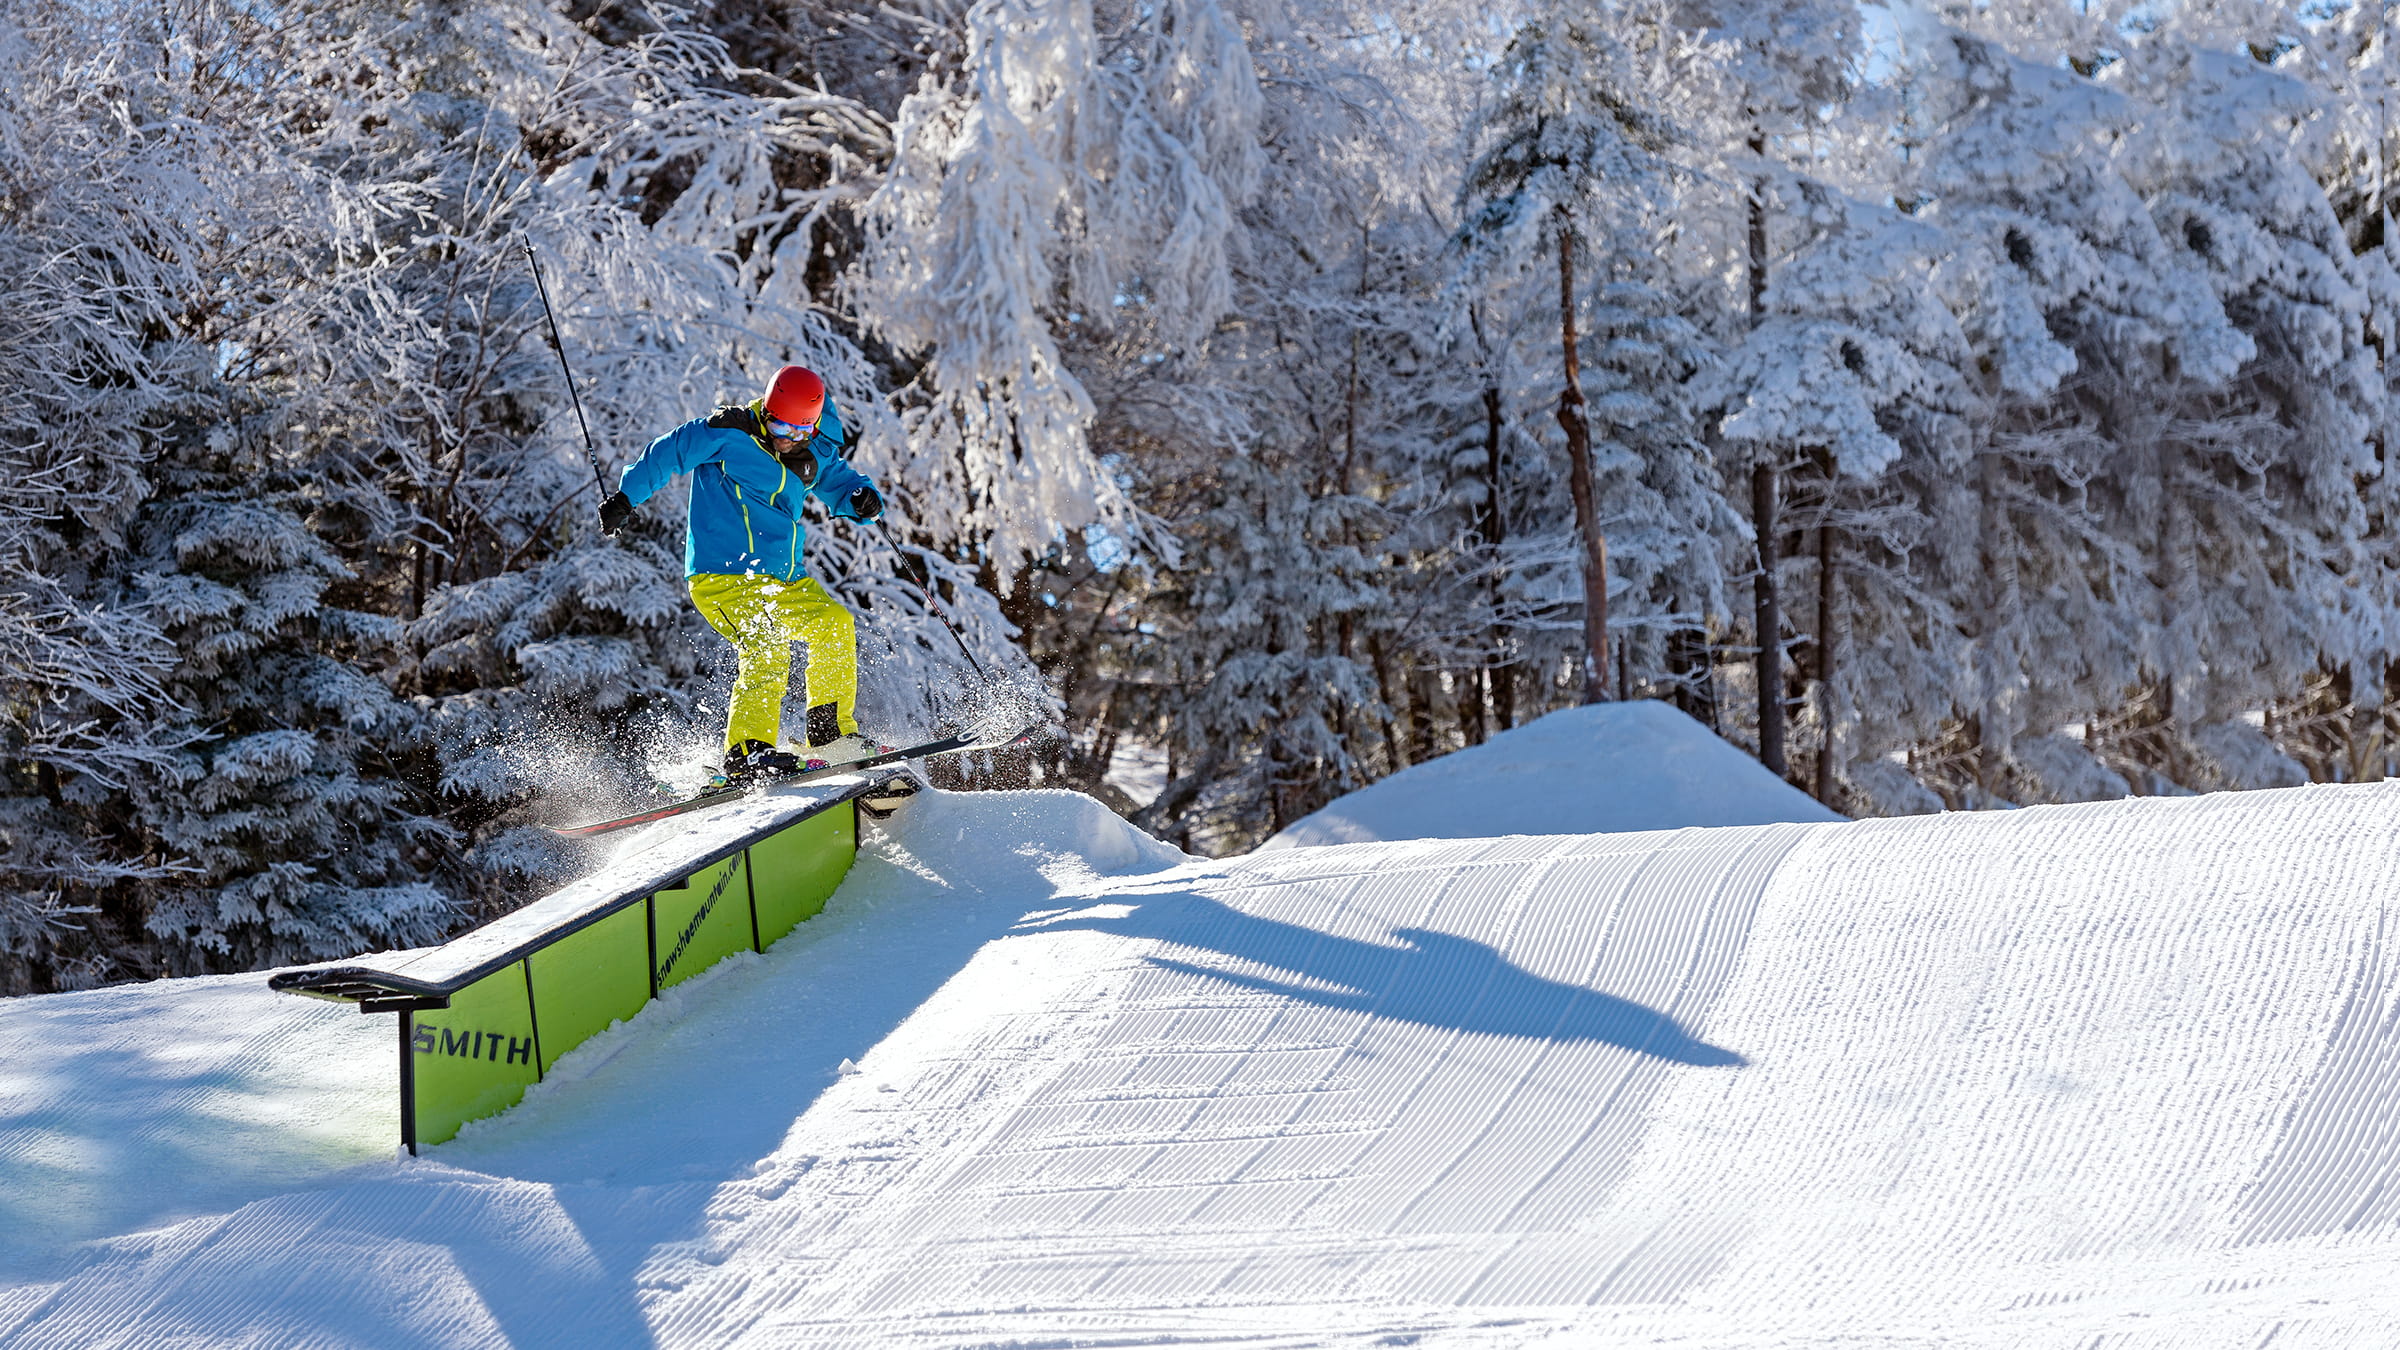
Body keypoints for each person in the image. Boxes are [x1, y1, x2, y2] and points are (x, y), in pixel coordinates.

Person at [599, 365, 886, 781]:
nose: (789, 439)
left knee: (834, 624)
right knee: (766, 645)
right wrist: (627, 497)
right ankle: (747, 752)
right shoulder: (730, 433)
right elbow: (671, 451)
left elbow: (837, 479)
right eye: (781, 427)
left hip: (784, 579)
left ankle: (829, 734)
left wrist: (860, 497)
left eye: (800, 431)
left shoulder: (813, 448)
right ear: (767, 412)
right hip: (726, 576)